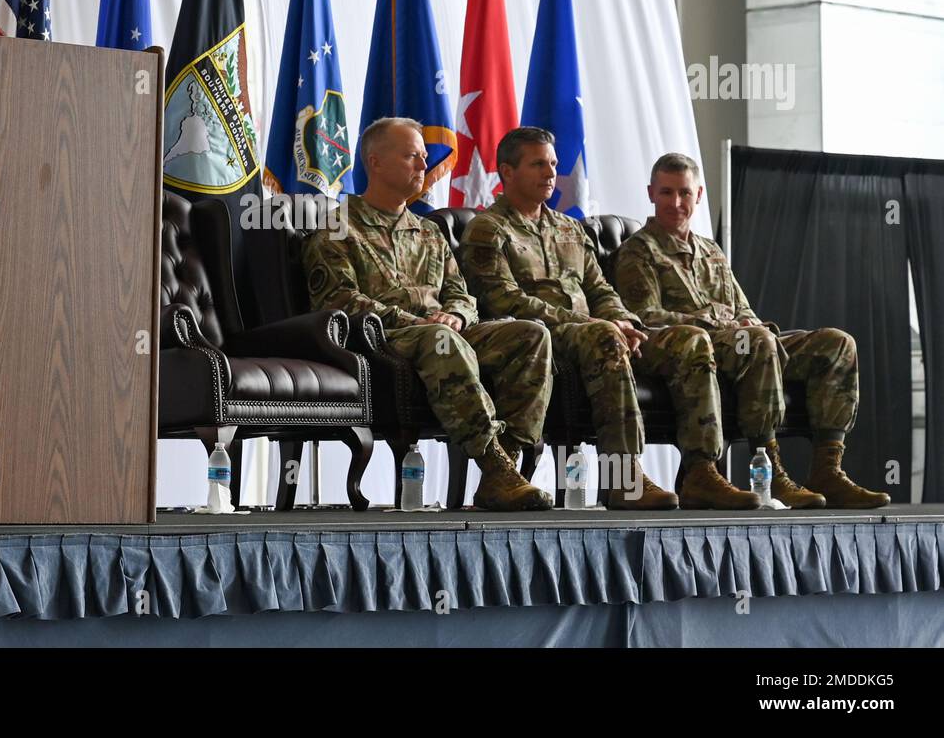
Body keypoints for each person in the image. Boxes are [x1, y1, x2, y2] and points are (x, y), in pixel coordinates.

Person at [459, 127, 758, 510]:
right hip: (537, 335)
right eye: (538, 165)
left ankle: (701, 471)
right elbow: (504, 300)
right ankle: (623, 478)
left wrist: (625, 321)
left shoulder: (568, 228)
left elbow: (600, 291)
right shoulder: (488, 229)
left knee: (690, 340)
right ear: (507, 171)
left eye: (553, 163)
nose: (550, 173)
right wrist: (594, 324)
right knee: (602, 335)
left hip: (594, 332)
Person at [303, 118, 555, 511]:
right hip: (385, 338)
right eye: (411, 157)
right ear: (375, 162)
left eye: (423, 157)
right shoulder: (338, 227)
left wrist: (456, 315)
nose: (423, 166)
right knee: (441, 338)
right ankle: (494, 465)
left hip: (443, 332)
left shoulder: (429, 231)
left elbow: (461, 295)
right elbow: (340, 301)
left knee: (531, 335)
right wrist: (419, 322)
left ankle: (504, 465)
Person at [614, 153, 890, 509]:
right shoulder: (638, 252)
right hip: (690, 347)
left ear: (699, 195)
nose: (676, 203)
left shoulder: (710, 251)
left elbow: (743, 309)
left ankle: (827, 469)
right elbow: (646, 317)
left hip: (739, 342)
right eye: (666, 193)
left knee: (835, 344)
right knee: (757, 341)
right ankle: (770, 471)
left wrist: (748, 324)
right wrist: (720, 321)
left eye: (684, 193)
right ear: (651, 193)